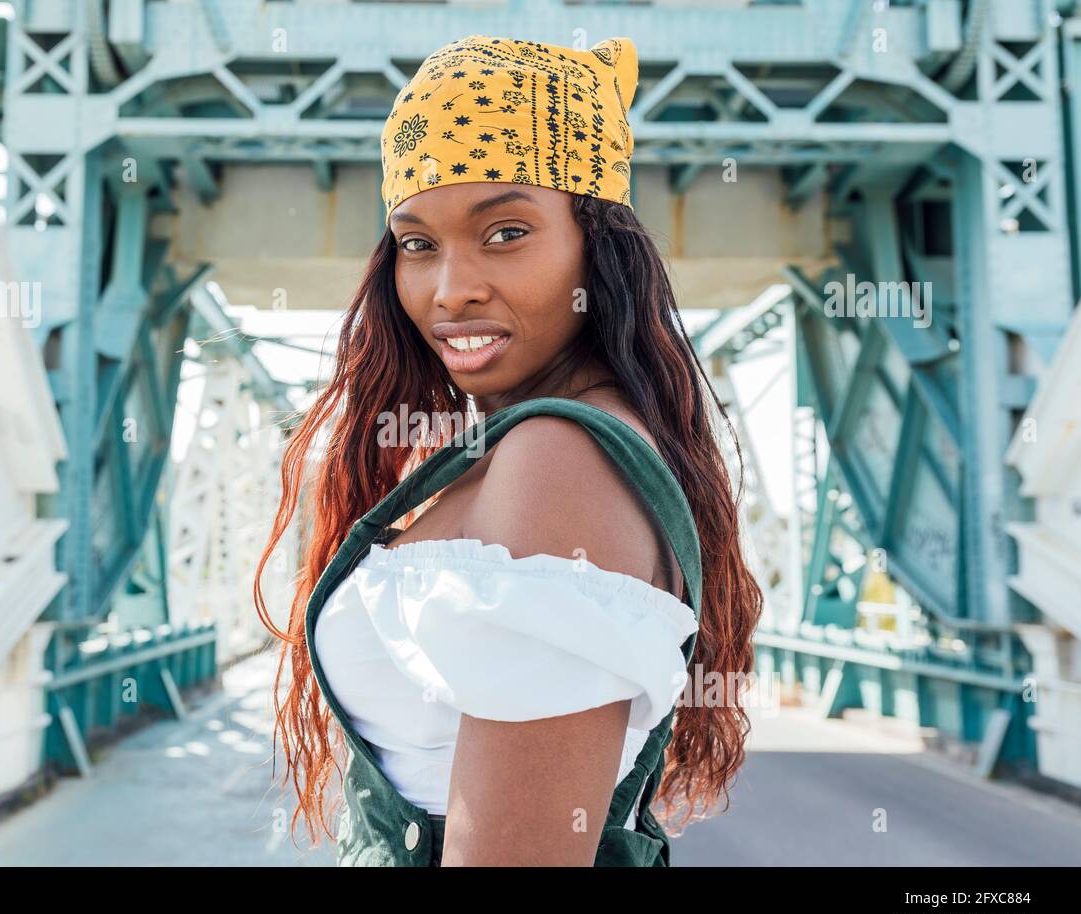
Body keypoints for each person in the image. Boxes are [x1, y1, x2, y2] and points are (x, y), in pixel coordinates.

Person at [255, 34, 762, 866]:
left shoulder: (558, 458)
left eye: (506, 232)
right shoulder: (530, 445)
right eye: (417, 244)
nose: (451, 289)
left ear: (598, 245)